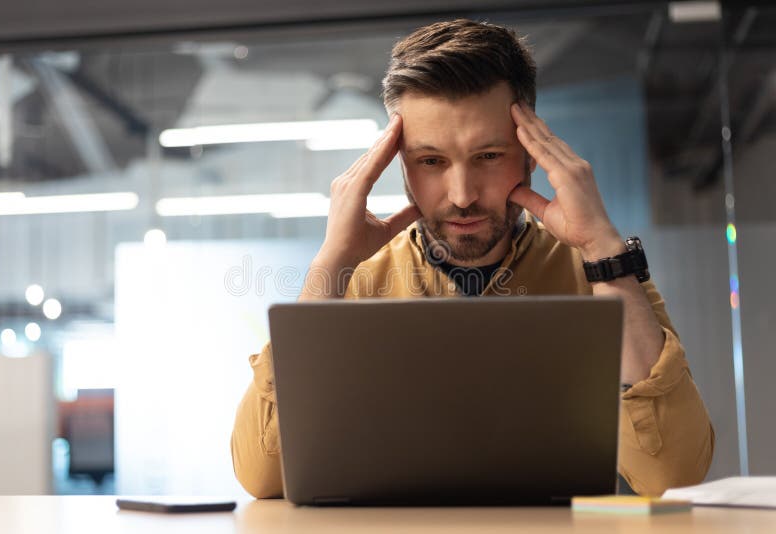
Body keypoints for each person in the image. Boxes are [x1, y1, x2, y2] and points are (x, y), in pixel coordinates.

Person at [230, 19, 714, 498]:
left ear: (530, 153)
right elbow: (261, 475)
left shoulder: (601, 273)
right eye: (431, 161)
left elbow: (671, 477)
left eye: (487, 156)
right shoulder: (351, 283)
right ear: (397, 162)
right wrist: (332, 263)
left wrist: (603, 249)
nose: (462, 196)